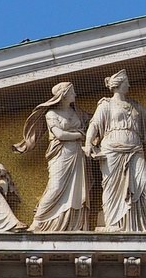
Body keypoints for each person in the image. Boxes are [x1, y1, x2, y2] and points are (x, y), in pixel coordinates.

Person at [85, 70, 146, 232]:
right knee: (112, 187)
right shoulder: (106, 105)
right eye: (126, 82)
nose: (129, 85)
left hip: (135, 149)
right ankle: (112, 223)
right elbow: (94, 125)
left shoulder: (134, 105)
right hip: (112, 151)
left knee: (145, 183)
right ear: (118, 85)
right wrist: (88, 143)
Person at [15, 82, 90, 232]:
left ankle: (75, 224)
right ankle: (39, 220)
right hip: (61, 154)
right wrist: (80, 135)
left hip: (77, 154)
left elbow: (94, 121)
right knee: (56, 186)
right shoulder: (51, 114)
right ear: (63, 95)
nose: (75, 95)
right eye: (72, 92)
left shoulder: (78, 113)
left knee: (78, 189)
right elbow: (60, 134)